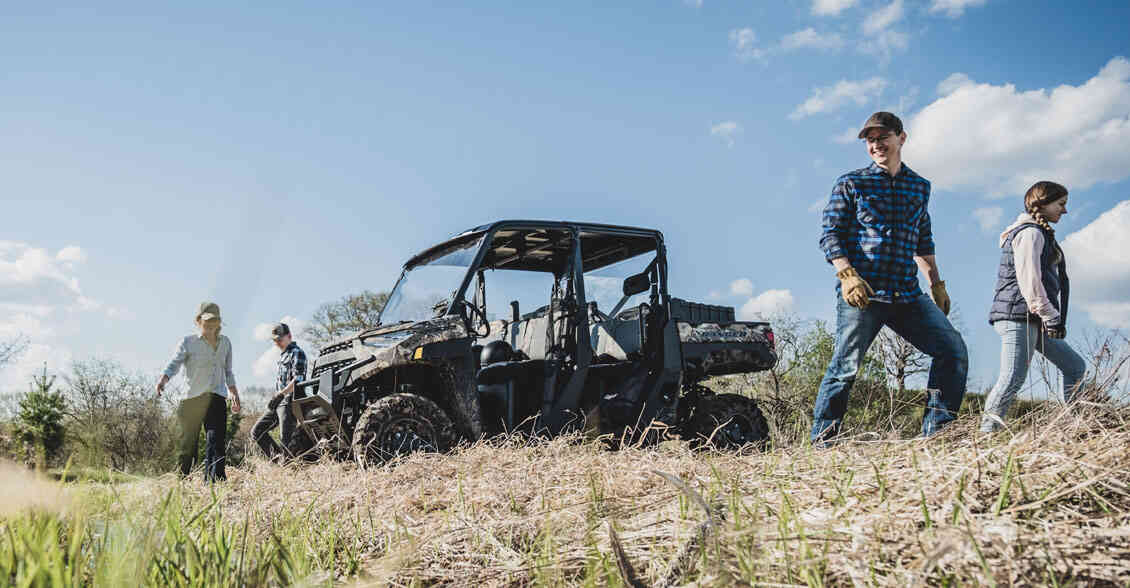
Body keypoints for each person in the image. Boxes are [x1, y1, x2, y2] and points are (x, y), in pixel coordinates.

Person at [813, 111, 968, 444]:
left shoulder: (919, 187)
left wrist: (936, 283)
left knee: (952, 350)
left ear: (902, 138)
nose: (876, 145)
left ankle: (936, 436)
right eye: (870, 140)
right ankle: (822, 443)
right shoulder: (852, 183)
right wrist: (846, 273)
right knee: (845, 368)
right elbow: (830, 234)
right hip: (864, 294)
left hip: (907, 295)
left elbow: (922, 239)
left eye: (883, 137)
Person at [981, 181, 1085, 432]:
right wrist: (1051, 316)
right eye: (1061, 204)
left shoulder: (1038, 232)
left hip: (1033, 318)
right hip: (1019, 316)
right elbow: (1030, 283)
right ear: (1043, 203)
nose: (1065, 210)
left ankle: (1074, 429)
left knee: (1075, 367)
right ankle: (985, 439)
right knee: (1012, 378)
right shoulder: (1030, 233)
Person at [156, 301, 241, 481]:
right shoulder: (189, 342)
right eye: (206, 321)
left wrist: (234, 392)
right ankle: (182, 484)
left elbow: (228, 371)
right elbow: (174, 363)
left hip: (216, 397)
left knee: (216, 442)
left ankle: (215, 484)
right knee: (188, 446)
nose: (210, 325)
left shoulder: (225, 343)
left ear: (219, 322)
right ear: (198, 320)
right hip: (191, 400)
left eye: (214, 321)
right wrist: (164, 379)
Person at [250, 323, 308, 461]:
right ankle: (279, 461)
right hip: (278, 401)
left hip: (289, 401)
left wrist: (281, 394)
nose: (278, 343)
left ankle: (288, 466)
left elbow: (298, 380)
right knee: (257, 431)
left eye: (280, 339)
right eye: (275, 340)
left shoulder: (297, 353)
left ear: (289, 336)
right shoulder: (283, 356)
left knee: (286, 442)